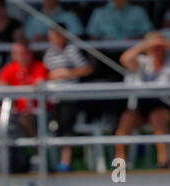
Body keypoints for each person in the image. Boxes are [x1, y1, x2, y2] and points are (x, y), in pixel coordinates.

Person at [116, 32, 170, 168]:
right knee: (126, 120)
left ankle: (163, 160)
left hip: (163, 104)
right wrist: (147, 44)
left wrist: (164, 43)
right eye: (154, 47)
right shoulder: (142, 62)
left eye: (159, 47)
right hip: (142, 105)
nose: (156, 50)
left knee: (157, 118)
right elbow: (125, 59)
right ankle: (120, 163)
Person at [42, 26, 92, 171]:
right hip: (53, 97)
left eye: (55, 36)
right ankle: (48, 160)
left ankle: (65, 160)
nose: (52, 40)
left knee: (65, 124)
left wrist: (67, 73)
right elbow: (45, 72)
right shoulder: (49, 53)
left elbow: (86, 69)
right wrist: (51, 76)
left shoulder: (72, 50)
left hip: (71, 96)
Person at [88, 0, 153, 42]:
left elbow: (146, 33)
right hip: (107, 53)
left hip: (133, 50)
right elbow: (93, 37)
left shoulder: (138, 11)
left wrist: (133, 39)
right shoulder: (99, 13)